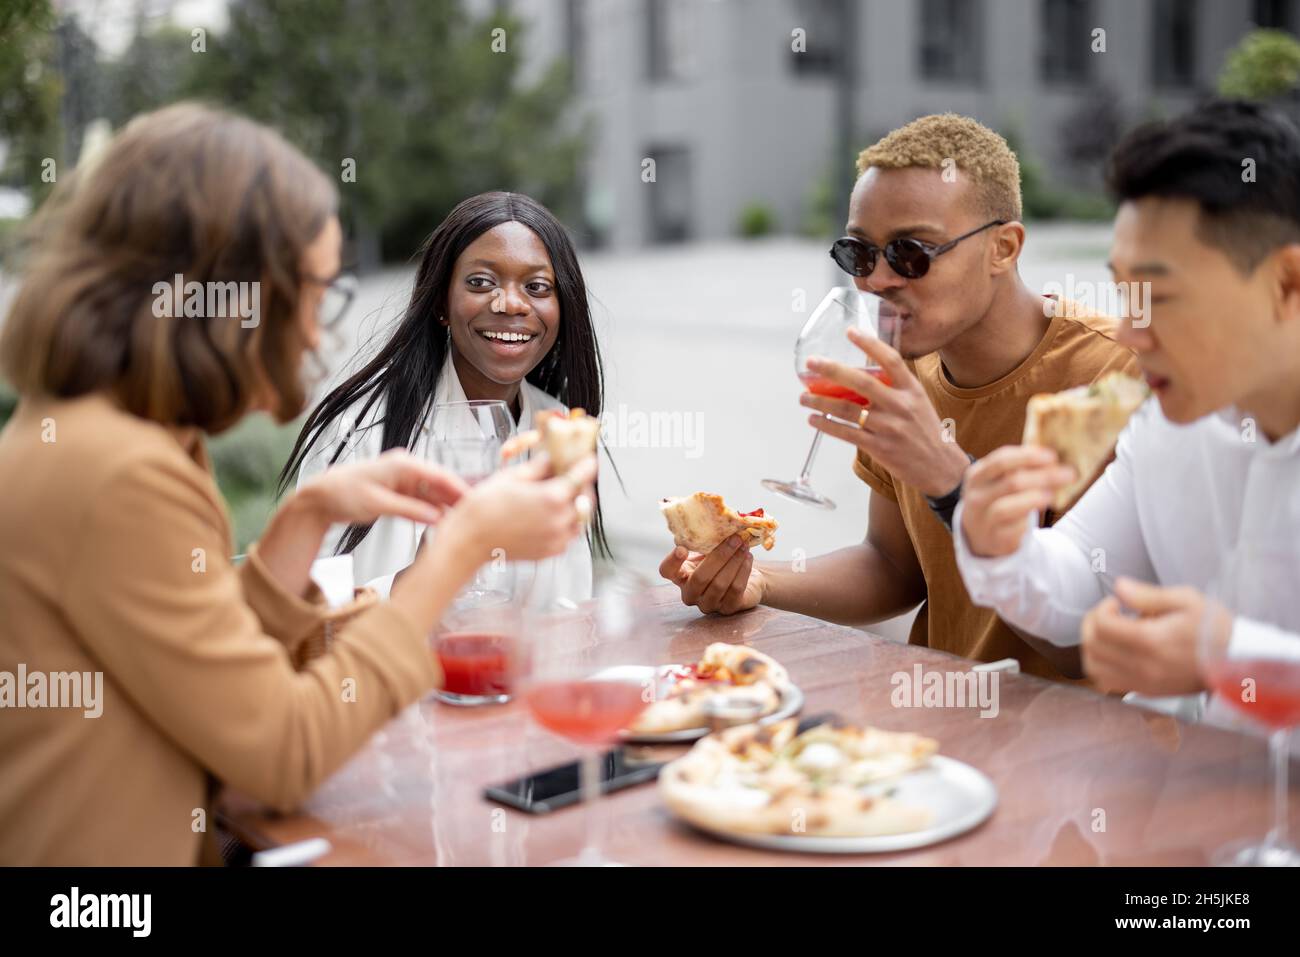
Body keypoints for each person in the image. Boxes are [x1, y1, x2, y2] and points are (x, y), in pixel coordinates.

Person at [0, 104, 594, 865]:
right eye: (315, 294)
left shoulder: (121, 438)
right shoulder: (116, 474)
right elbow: (278, 750)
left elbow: (211, 677)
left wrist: (302, 518)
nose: (318, 332)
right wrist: (463, 545)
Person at [661, 113, 1137, 681]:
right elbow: (892, 567)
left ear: (1003, 249)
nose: (877, 280)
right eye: (859, 254)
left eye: (912, 252)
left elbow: (1087, 643)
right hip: (935, 718)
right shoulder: (905, 366)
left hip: (1070, 748)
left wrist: (950, 479)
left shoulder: (1116, 378)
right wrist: (757, 582)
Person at [954, 99, 1300, 701]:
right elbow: (1083, 580)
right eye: (1123, 292)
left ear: (1287, 283)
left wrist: (1237, 661)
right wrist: (999, 540)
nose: (1128, 333)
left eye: (1160, 297)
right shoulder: (1172, 426)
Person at [280, 192, 609, 605]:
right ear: (441, 302)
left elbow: (567, 609)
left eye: (537, 286)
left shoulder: (558, 428)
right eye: (480, 282)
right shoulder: (359, 431)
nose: (509, 303)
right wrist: (435, 568)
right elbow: (299, 614)